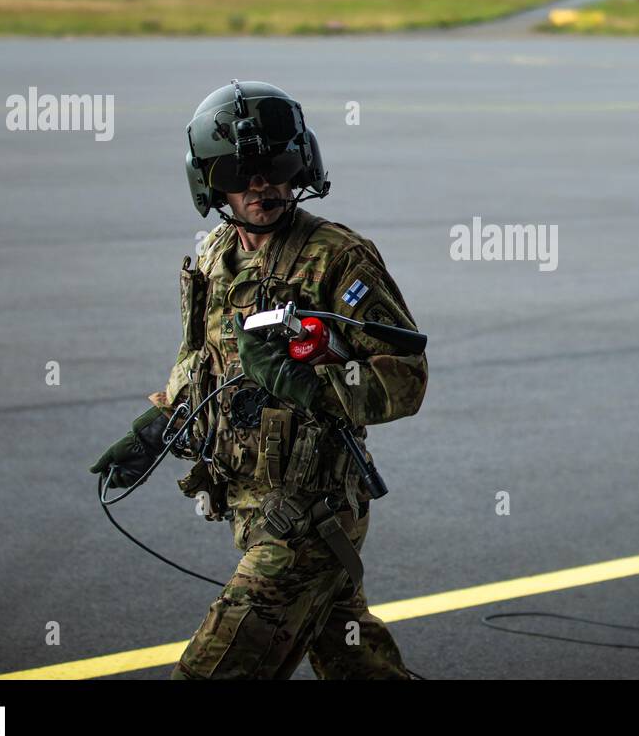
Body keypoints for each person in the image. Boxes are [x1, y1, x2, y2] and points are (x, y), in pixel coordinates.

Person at [91, 80, 427, 679]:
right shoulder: (215, 256)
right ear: (210, 183)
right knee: (354, 659)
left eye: (275, 167)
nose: (260, 186)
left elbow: (406, 379)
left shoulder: (338, 258)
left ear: (301, 165)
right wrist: (161, 426)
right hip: (250, 503)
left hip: (309, 513)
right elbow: (203, 362)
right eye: (238, 173)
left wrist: (312, 387)